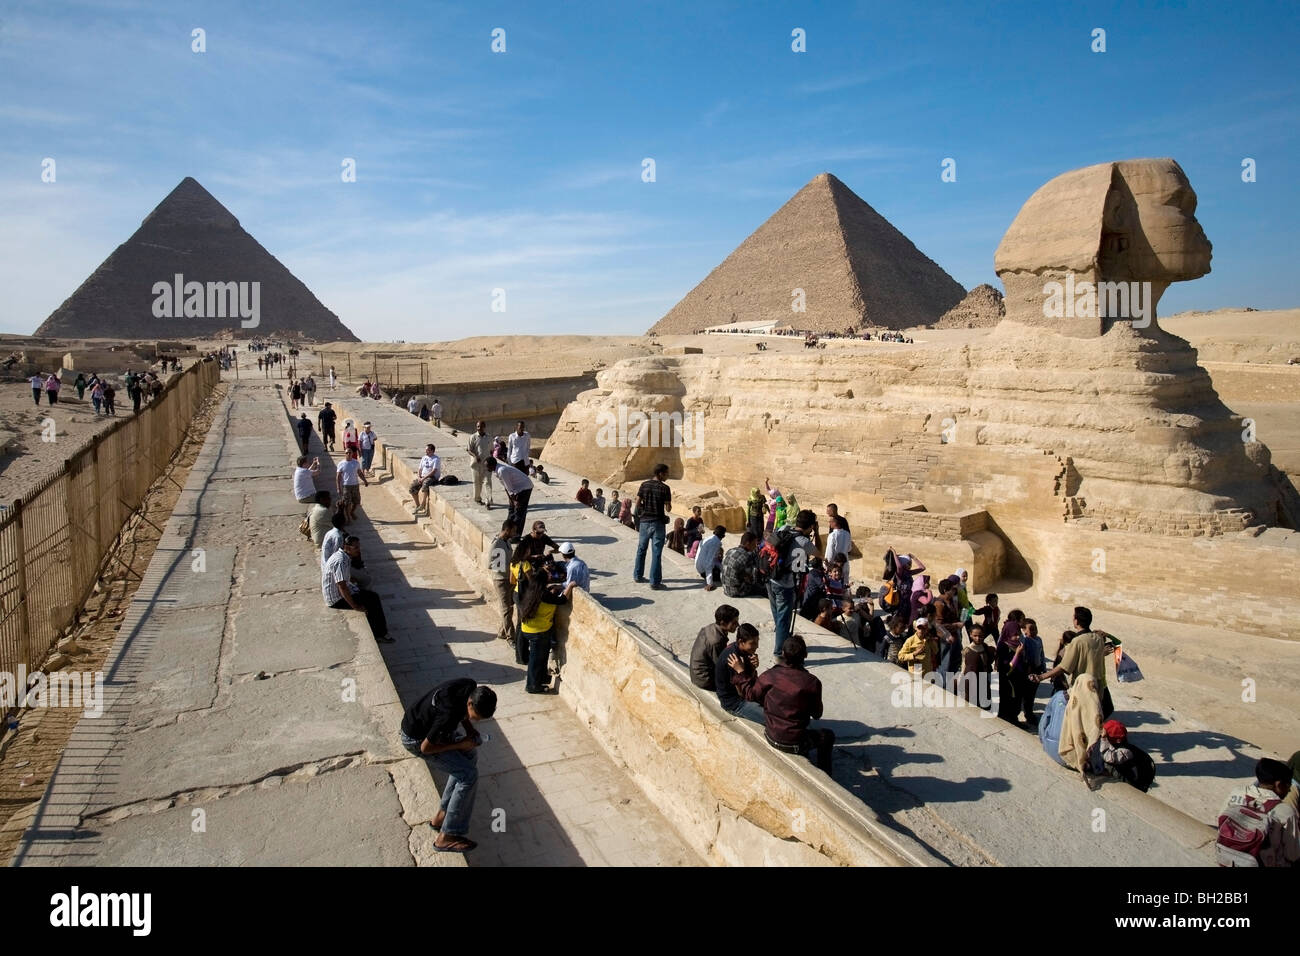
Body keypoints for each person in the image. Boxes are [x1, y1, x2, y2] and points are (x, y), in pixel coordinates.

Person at [399, 678, 497, 854]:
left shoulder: (469, 686)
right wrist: (460, 745)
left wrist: (470, 731)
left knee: (469, 755)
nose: (476, 721)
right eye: (475, 718)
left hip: (427, 727)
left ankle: (441, 817)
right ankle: (447, 837)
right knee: (468, 775)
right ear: (470, 703)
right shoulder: (448, 715)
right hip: (416, 739)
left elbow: (462, 714)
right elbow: (425, 748)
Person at [729, 634, 835, 774]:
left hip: (771, 735)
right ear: (805, 655)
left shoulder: (770, 675)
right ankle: (825, 775)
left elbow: (750, 694)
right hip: (794, 743)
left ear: (783, 654)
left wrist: (741, 672)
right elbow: (817, 714)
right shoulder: (812, 682)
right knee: (828, 736)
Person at [1032, 607, 1118, 719]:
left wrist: (1041, 677)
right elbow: (1117, 644)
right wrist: (1107, 634)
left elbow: (1064, 667)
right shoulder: (1098, 638)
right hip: (1098, 688)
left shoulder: (1077, 642)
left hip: (1083, 688)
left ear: (1076, 621)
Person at [1216, 758, 1300, 867]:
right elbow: (1292, 854)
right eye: (1288, 786)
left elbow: (1220, 821)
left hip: (1228, 859)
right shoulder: (1285, 811)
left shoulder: (1237, 792)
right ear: (1278, 785)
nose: (1289, 790)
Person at [322, 536, 392, 643]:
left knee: (368, 594)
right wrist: (355, 606)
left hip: (338, 594)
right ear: (347, 548)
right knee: (373, 599)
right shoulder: (341, 561)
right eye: (356, 548)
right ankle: (380, 634)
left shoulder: (342, 556)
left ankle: (378, 630)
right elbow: (342, 586)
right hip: (336, 599)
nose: (359, 550)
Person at [767, 510, 816, 659]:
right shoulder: (804, 541)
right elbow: (819, 553)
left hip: (770, 577)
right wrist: (816, 533)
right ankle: (779, 653)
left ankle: (782, 636)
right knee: (784, 619)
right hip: (784, 583)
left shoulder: (784, 528)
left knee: (777, 613)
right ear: (811, 526)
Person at [518, 562, 567, 694]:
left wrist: (553, 588)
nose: (550, 575)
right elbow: (563, 600)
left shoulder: (534, 589)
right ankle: (532, 686)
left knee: (541, 657)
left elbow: (547, 594)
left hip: (529, 629)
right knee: (535, 661)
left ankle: (541, 679)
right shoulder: (544, 595)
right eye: (548, 574)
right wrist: (570, 586)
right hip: (538, 632)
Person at [632, 463, 672, 590]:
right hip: (658, 523)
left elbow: (637, 503)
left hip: (645, 522)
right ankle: (654, 582)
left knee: (641, 549)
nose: (667, 476)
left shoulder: (644, 485)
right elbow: (668, 508)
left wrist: (643, 512)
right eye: (666, 473)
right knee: (656, 553)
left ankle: (638, 576)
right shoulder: (665, 488)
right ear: (660, 474)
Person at [715, 623, 764, 723]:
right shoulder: (733, 660)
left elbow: (749, 681)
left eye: (757, 642)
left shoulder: (743, 650)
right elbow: (743, 693)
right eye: (753, 643)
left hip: (746, 693)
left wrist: (752, 667)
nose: (757, 646)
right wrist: (743, 671)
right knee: (772, 719)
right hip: (735, 703)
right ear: (741, 642)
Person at [690, 604, 741, 690]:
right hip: (704, 679)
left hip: (696, 673)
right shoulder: (716, 641)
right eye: (734, 623)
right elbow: (721, 666)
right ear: (723, 623)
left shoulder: (710, 628)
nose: (738, 625)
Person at [488, 521, 518, 642]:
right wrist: (510, 567)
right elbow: (491, 564)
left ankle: (502, 631)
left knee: (509, 607)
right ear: (507, 530)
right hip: (501, 580)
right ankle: (511, 637)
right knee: (506, 608)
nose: (515, 533)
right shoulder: (497, 544)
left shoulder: (507, 541)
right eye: (514, 530)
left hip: (508, 578)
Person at [490, 457, 534, 534]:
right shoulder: (496, 471)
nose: (485, 468)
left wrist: (514, 500)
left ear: (492, 465)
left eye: (487, 466)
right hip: (517, 489)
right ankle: (506, 532)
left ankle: (515, 535)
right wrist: (511, 500)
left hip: (524, 487)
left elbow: (509, 488)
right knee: (511, 511)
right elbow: (506, 487)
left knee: (519, 512)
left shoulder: (501, 470)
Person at [961, 625, 995, 708]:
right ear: (970, 635)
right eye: (975, 636)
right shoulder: (967, 650)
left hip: (983, 679)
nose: (978, 638)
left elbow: (988, 662)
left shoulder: (985, 647)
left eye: (980, 636)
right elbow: (963, 666)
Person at [721, 531, 761, 597]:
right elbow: (751, 579)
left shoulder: (731, 550)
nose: (755, 546)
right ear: (748, 544)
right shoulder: (747, 556)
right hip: (736, 591)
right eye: (754, 544)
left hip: (726, 588)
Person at [467, 420, 494, 509]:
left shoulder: (489, 437)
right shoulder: (473, 437)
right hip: (475, 464)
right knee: (477, 482)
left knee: (487, 482)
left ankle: (488, 501)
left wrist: (491, 460)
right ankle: (477, 498)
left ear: (484, 427)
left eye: (481, 427)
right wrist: (475, 456)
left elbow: (491, 450)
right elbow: (468, 449)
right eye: (478, 426)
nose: (479, 428)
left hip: (487, 464)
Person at [409, 443, 441, 516]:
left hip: (431, 477)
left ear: (432, 451)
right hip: (422, 477)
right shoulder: (424, 458)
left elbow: (434, 471)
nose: (426, 452)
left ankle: (423, 503)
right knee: (412, 488)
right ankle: (418, 505)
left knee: (425, 484)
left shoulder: (436, 459)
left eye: (428, 450)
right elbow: (419, 469)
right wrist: (419, 477)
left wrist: (424, 478)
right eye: (426, 450)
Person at [336, 447, 366, 523]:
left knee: (356, 502)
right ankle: (348, 518)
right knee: (347, 503)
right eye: (347, 453)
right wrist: (338, 488)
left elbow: (359, 473)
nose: (348, 454)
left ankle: (351, 512)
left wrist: (365, 480)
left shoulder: (356, 462)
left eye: (350, 452)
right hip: (346, 486)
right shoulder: (341, 464)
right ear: (345, 454)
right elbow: (338, 477)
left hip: (355, 485)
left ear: (352, 453)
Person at [695, 525, 725, 591]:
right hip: (704, 571)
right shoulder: (716, 543)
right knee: (726, 576)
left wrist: (722, 567)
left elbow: (714, 559)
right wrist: (710, 583)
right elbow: (709, 562)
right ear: (723, 536)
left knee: (723, 567)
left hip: (699, 567)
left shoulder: (708, 538)